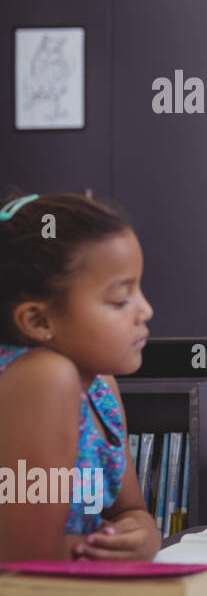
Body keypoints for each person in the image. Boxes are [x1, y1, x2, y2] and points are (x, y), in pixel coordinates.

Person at [0, 192, 161, 562]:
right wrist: (102, 551)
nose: (145, 310)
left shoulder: (101, 385)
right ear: (39, 321)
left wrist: (143, 533)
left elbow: (126, 510)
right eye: (120, 300)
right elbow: (27, 566)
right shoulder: (41, 378)